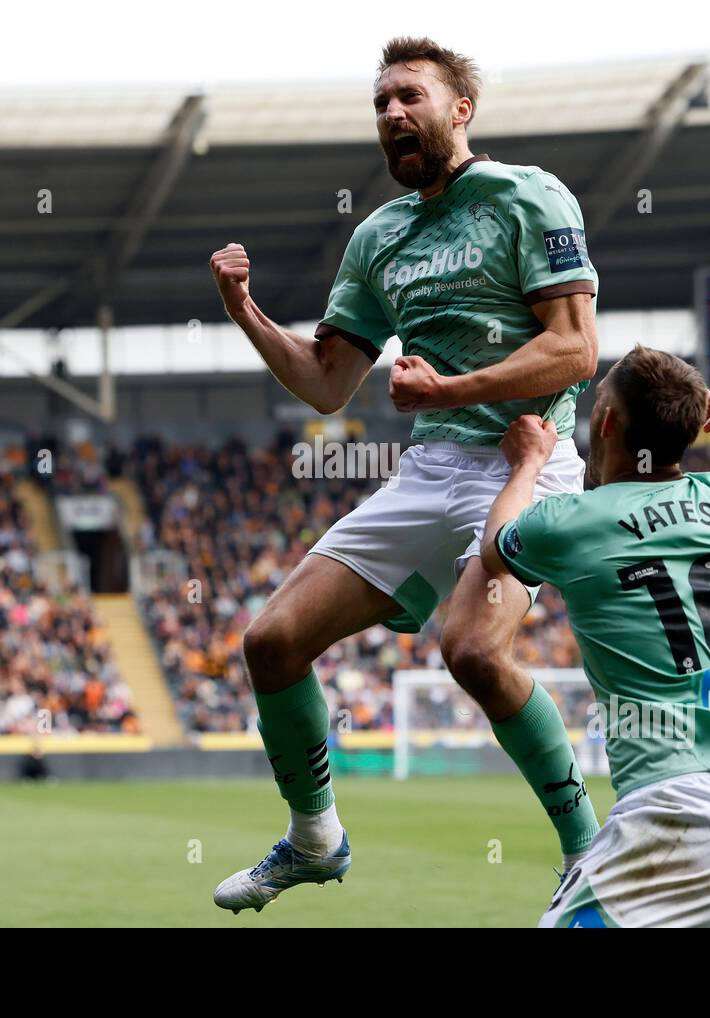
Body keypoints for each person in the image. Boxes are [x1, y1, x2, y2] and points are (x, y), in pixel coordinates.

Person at [208, 36, 601, 913]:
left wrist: (451, 387)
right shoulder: (378, 236)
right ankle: (316, 840)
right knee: (270, 643)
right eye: (381, 101)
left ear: (460, 109)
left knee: (470, 651)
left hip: (527, 459)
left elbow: (576, 349)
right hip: (428, 469)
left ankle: (587, 847)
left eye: (409, 96)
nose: (391, 113)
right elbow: (323, 383)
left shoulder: (528, 196)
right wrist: (245, 311)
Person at [480, 347, 710, 926]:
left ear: (606, 422)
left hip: (677, 812)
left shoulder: (578, 520)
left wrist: (526, 463)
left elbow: (497, 543)